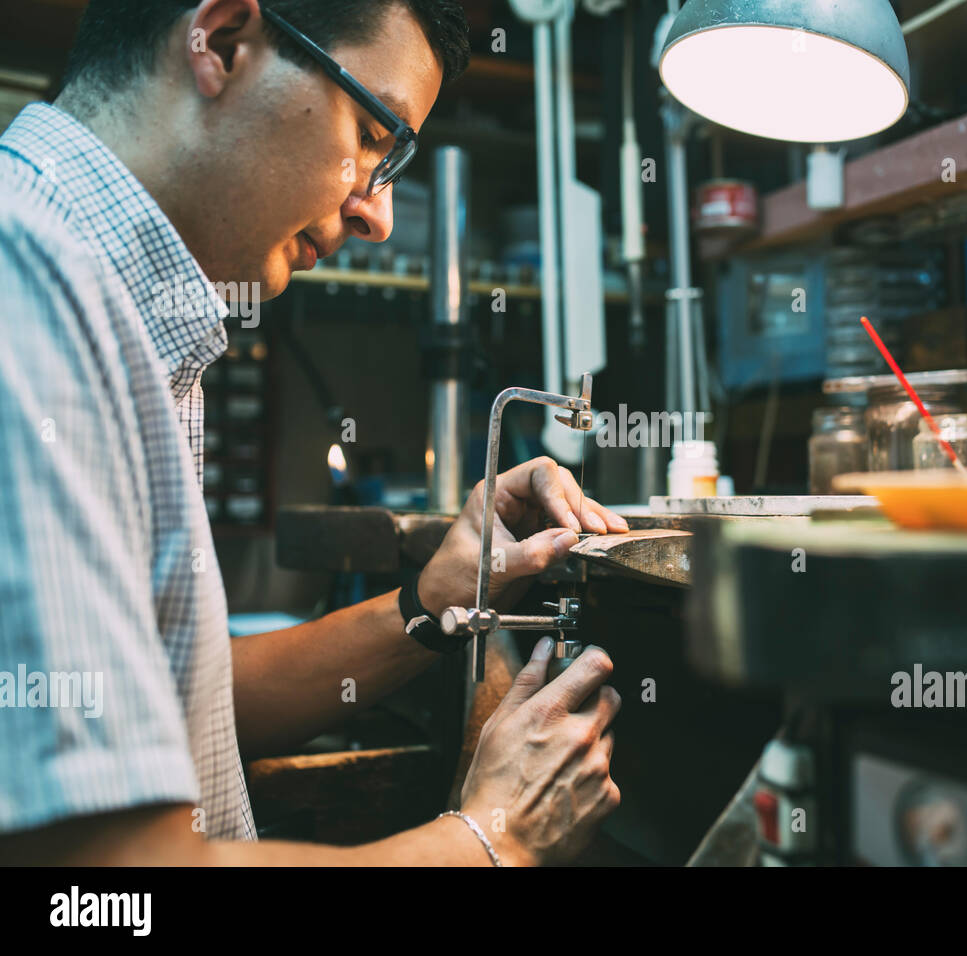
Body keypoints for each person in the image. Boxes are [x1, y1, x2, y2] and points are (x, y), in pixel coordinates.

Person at [0, 0, 628, 865]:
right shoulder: (29, 296)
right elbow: (108, 884)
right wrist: (493, 840)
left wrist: (435, 605)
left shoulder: (106, 297)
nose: (380, 215)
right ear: (222, 41)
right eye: (374, 138)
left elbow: (178, 703)